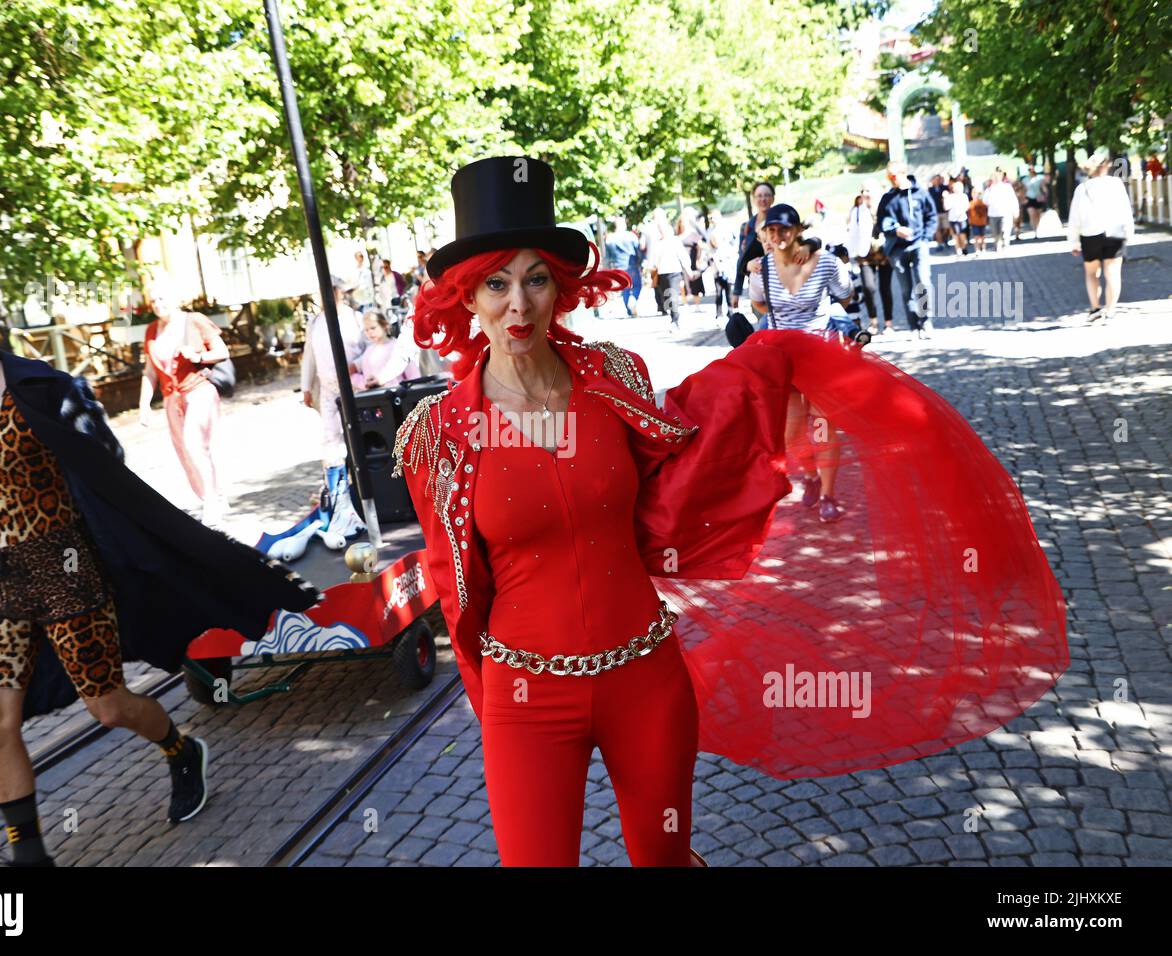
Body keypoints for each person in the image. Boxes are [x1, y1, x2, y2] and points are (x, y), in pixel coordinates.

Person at [395, 155, 1069, 867]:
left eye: (536, 279)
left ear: (560, 287)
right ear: (466, 297)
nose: (519, 305)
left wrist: (792, 371)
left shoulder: (614, 379)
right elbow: (458, 586)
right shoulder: (437, 435)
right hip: (526, 698)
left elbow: (695, 445)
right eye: (496, 284)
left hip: (644, 681)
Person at [0, 277, 316, 866]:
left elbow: (105, 468)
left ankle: (180, 748)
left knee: (109, 707)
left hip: (65, 567)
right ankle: (30, 856)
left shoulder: (39, 390)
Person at [747, 203, 854, 523]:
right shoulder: (762, 267)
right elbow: (759, 304)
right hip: (783, 360)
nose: (777, 236)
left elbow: (846, 294)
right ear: (765, 234)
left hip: (820, 356)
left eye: (783, 229)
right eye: (771, 230)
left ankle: (828, 496)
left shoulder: (824, 263)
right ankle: (810, 475)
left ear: (797, 231)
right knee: (791, 434)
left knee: (823, 428)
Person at [138, 282, 230, 527]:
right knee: (185, 453)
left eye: (162, 298)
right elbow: (150, 372)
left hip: (198, 390)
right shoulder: (151, 331)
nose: (158, 304)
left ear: (174, 298)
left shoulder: (194, 321)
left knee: (194, 444)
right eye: (154, 301)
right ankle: (212, 495)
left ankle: (212, 501)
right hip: (171, 398)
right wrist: (144, 404)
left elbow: (222, 351)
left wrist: (198, 357)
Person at [300, 275, 367, 465]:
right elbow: (309, 356)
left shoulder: (355, 317)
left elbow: (369, 350)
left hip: (355, 385)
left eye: (332, 291)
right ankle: (339, 480)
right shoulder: (315, 323)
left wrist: (356, 365)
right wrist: (306, 387)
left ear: (340, 292)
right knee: (331, 436)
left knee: (359, 430)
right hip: (328, 388)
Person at [1067, 150, 1136, 322]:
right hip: (1114, 233)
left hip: (1090, 235)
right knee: (1112, 273)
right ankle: (1110, 310)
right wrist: (1129, 231)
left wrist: (1074, 241)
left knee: (1092, 274)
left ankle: (1095, 307)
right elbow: (1125, 209)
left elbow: (1075, 217)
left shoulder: (1081, 189)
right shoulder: (1116, 184)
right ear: (1105, 167)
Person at [875, 160, 938, 339]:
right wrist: (895, 230)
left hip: (919, 245)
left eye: (893, 176)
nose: (891, 180)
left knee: (923, 283)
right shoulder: (887, 199)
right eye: (888, 177)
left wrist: (926, 238)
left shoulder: (920, 193)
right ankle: (913, 326)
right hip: (896, 249)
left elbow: (931, 216)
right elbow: (881, 223)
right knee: (906, 289)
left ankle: (926, 321)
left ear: (903, 174)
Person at [845, 188, 892, 334]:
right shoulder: (857, 211)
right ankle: (873, 321)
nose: (866, 193)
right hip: (864, 254)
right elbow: (852, 233)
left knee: (885, 289)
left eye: (869, 190)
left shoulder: (884, 207)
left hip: (884, 253)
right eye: (863, 190)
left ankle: (888, 323)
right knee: (869, 288)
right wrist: (850, 254)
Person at [647, 210, 692, 331]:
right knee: (667, 296)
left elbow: (683, 256)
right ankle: (674, 315)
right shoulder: (658, 243)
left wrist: (688, 270)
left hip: (674, 272)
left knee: (672, 296)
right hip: (662, 273)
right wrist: (650, 270)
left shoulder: (675, 241)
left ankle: (675, 319)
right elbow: (654, 260)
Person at [350, 311, 418, 390]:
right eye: (366, 330)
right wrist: (365, 383)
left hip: (399, 395)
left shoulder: (399, 346)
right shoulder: (368, 352)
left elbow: (413, 375)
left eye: (373, 328)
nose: (369, 332)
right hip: (376, 397)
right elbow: (363, 377)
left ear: (384, 325)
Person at [603, 217, 642, 316]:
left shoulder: (610, 239)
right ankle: (632, 301)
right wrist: (641, 263)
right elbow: (638, 251)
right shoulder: (631, 236)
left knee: (625, 288)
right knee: (637, 285)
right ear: (624, 224)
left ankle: (629, 311)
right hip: (632, 265)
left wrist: (607, 270)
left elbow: (607, 257)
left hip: (618, 267)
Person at [984, 170, 1019, 253]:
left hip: (1005, 212)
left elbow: (1013, 199)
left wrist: (1015, 210)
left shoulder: (1006, 187)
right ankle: (998, 245)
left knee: (1004, 229)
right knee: (995, 232)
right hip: (993, 213)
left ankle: (1005, 244)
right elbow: (985, 201)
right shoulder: (989, 188)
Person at [945, 180, 970, 256]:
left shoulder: (964, 196)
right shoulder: (950, 197)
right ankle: (958, 250)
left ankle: (964, 247)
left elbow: (966, 206)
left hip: (962, 218)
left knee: (962, 234)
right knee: (955, 235)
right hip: (953, 219)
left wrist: (961, 211)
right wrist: (945, 198)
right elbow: (946, 207)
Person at [967, 185, 989, 256]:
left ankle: (983, 248)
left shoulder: (983, 203)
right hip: (974, 222)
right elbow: (968, 213)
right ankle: (977, 249)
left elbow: (986, 211)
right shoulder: (970, 203)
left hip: (982, 221)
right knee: (976, 236)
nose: (975, 195)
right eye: (974, 193)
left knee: (982, 236)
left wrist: (986, 220)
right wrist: (969, 221)